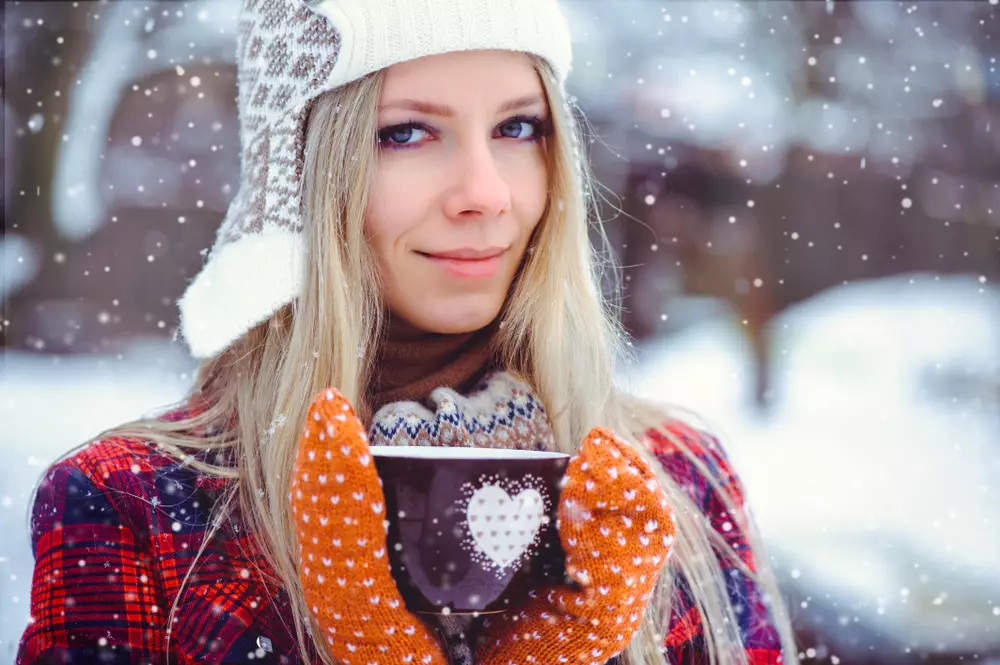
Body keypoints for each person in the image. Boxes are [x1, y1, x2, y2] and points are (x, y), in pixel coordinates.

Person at [16, 0, 800, 663]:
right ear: (301, 175)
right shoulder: (137, 502)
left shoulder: (666, 480)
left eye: (519, 128)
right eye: (407, 133)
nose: (484, 193)